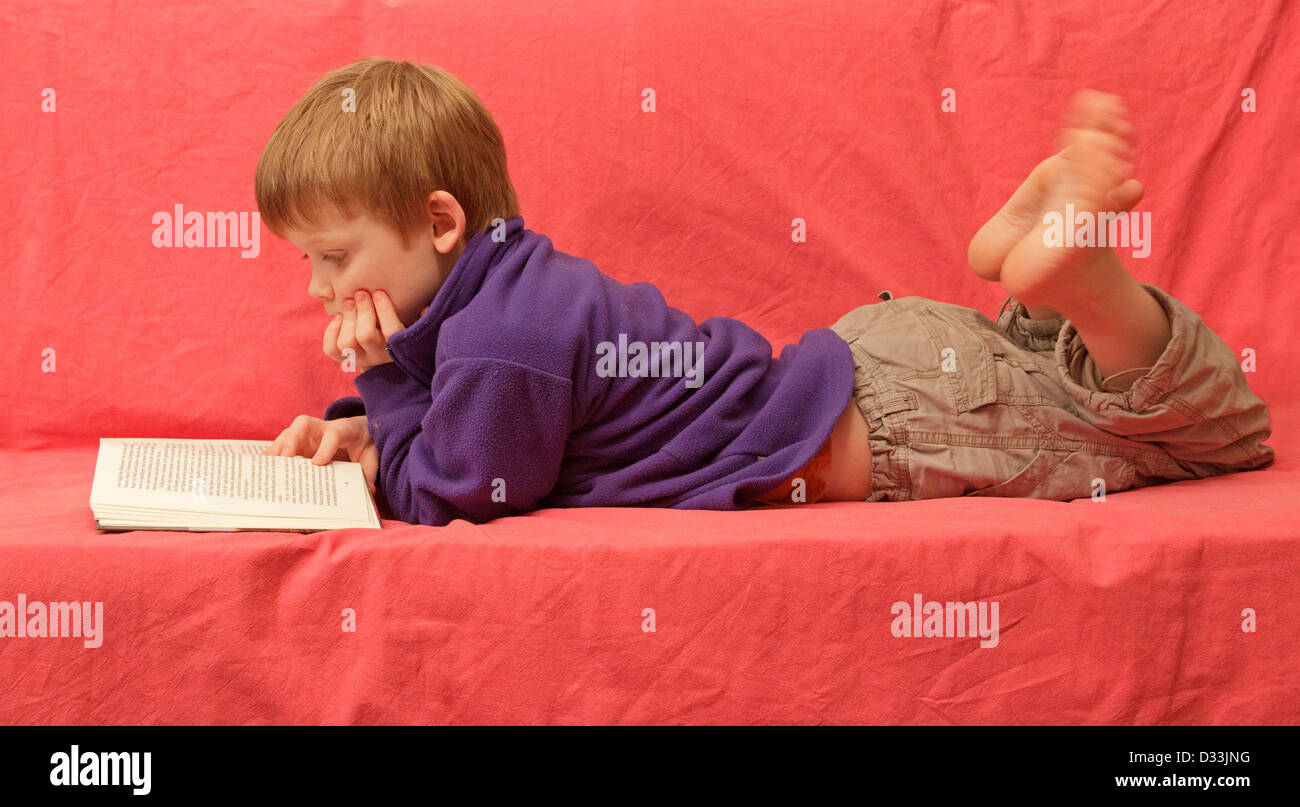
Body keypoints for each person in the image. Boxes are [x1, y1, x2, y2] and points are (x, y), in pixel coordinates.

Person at [257, 59, 1273, 524]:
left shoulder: (497, 340)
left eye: (334, 257)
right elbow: (484, 422)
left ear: (440, 222)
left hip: (896, 422)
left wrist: (383, 384)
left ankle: (1078, 280)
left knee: (1214, 440)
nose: (317, 287)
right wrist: (373, 430)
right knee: (1079, 390)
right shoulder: (512, 288)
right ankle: (1053, 300)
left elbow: (463, 489)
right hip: (889, 364)